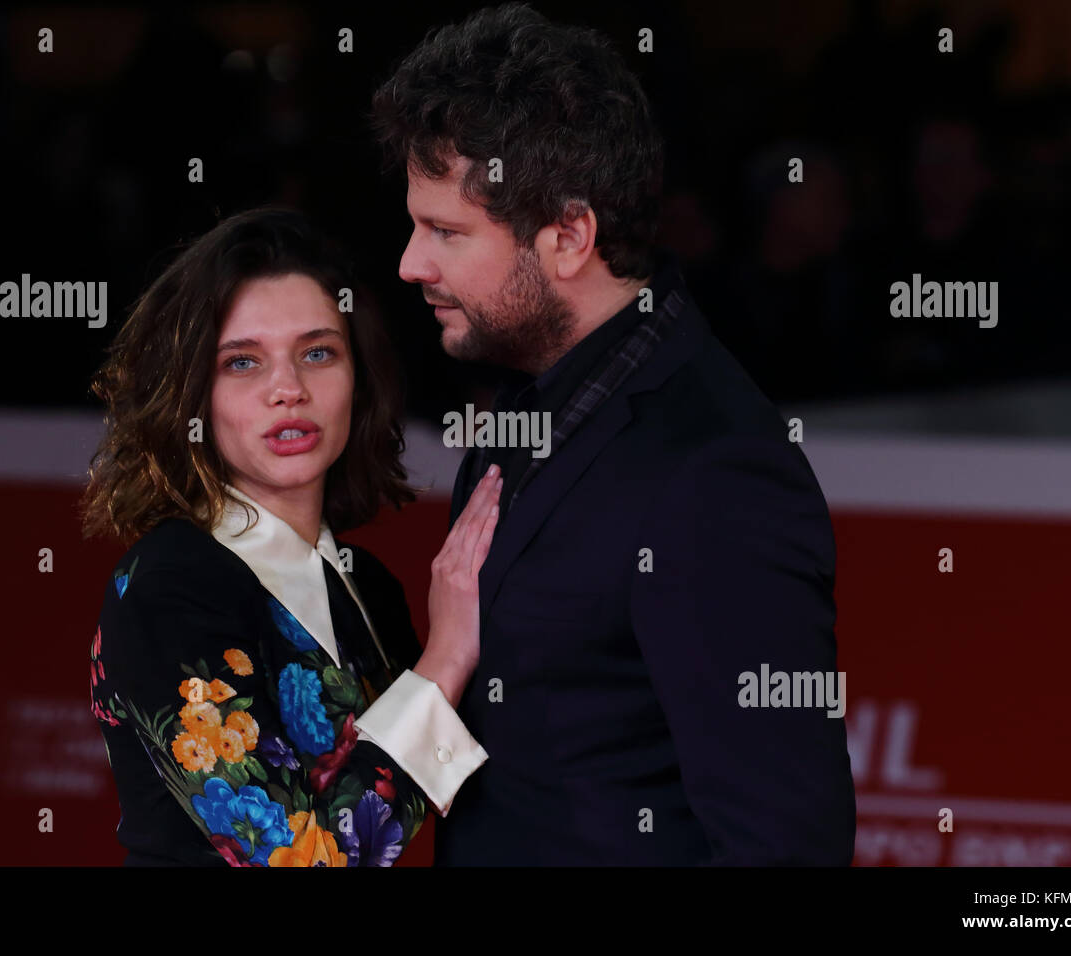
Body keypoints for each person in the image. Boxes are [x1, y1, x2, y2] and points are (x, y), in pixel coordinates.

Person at [370, 3, 857, 864]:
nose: (411, 263)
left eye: (446, 232)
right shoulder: (527, 398)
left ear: (569, 236)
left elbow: (783, 843)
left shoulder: (716, 471)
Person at [80, 205, 497, 866]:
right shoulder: (167, 586)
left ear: (359, 378)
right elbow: (300, 860)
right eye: (242, 363)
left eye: (318, 352)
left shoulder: (369, 589)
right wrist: (445, 660)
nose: (289, 389)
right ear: (192, 396)